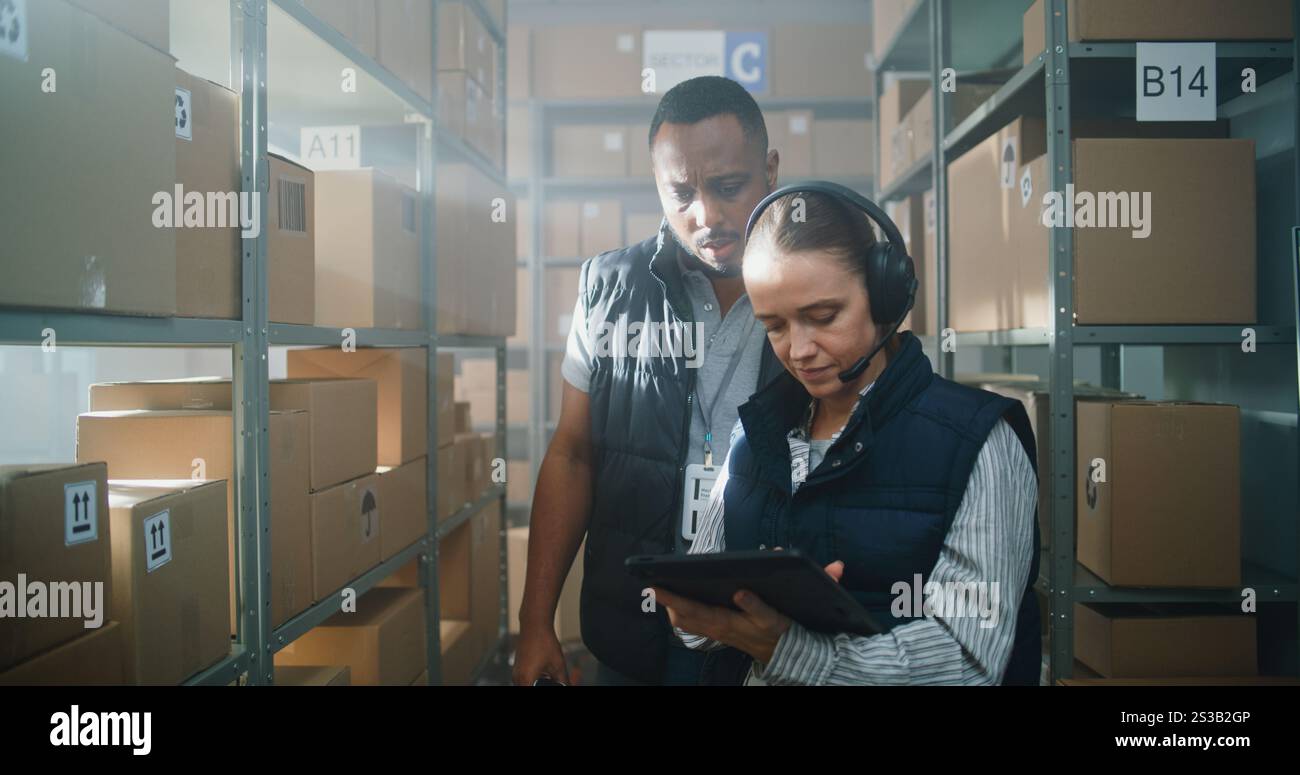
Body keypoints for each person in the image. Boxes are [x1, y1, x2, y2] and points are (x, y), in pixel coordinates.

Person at [656, 184, 1043, 685]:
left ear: (886, 295)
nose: (798, 350)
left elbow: (966, 660)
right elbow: (698, 623)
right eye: (773, 325)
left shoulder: (977, 442)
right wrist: (726, 604)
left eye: (822, 317)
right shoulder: (752, 439)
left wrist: (786, 647)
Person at [512, 76, 789, 686]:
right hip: (633, 629)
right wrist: (536, 622)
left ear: (770, 169)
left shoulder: (815, 285)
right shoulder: (606, 288)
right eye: (681, 192)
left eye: (727, 187)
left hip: (774, 636)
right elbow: (573, 454)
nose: (707, 216)